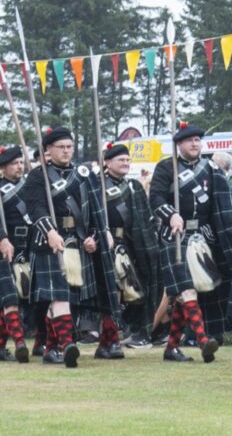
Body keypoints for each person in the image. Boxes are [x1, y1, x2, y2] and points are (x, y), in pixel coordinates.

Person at [149, 123, 232, 362]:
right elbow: (156, 198)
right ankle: (203, 341)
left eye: (197, 140)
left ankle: (171, 348)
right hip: (175, 237)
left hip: (202, 239)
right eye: (189, 140)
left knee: (185, 293)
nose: (194, 144)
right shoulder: (165, 168)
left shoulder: (211, 169)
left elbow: (220, 207)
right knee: (187, 288)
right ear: (179, 144)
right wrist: (171, 214)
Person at [21, 127, 114, 367]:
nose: (66, 151)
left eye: (69, 147)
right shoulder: (37, 176)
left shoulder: (83, 174)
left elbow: (95, 211)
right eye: (60, 147)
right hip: (48, 242)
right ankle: (67, 345)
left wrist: (95, 235)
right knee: (59, 296)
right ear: (48, 151)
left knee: (66, 299)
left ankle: (52, 349)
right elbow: (35, 207)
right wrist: (50, 231)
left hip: (76, 243)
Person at [95, 142, 162, 356]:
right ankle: (111, 336)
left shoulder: (133, 186)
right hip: (107, 245)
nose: (125, 163)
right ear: (107, 162)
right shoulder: (98, 186)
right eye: (120, 160)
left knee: (135, 293)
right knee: (112, 293)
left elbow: (146, 217)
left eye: (127, 160)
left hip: (133, 247)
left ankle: (135, 330)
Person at [0, 145, 29, 361]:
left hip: (28, 244)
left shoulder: (30, 186)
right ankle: (20, 342)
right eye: (14, 164)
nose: (19, 167)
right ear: (3, 168)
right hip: (5, 246)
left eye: (21, 162)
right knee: (9, 296)